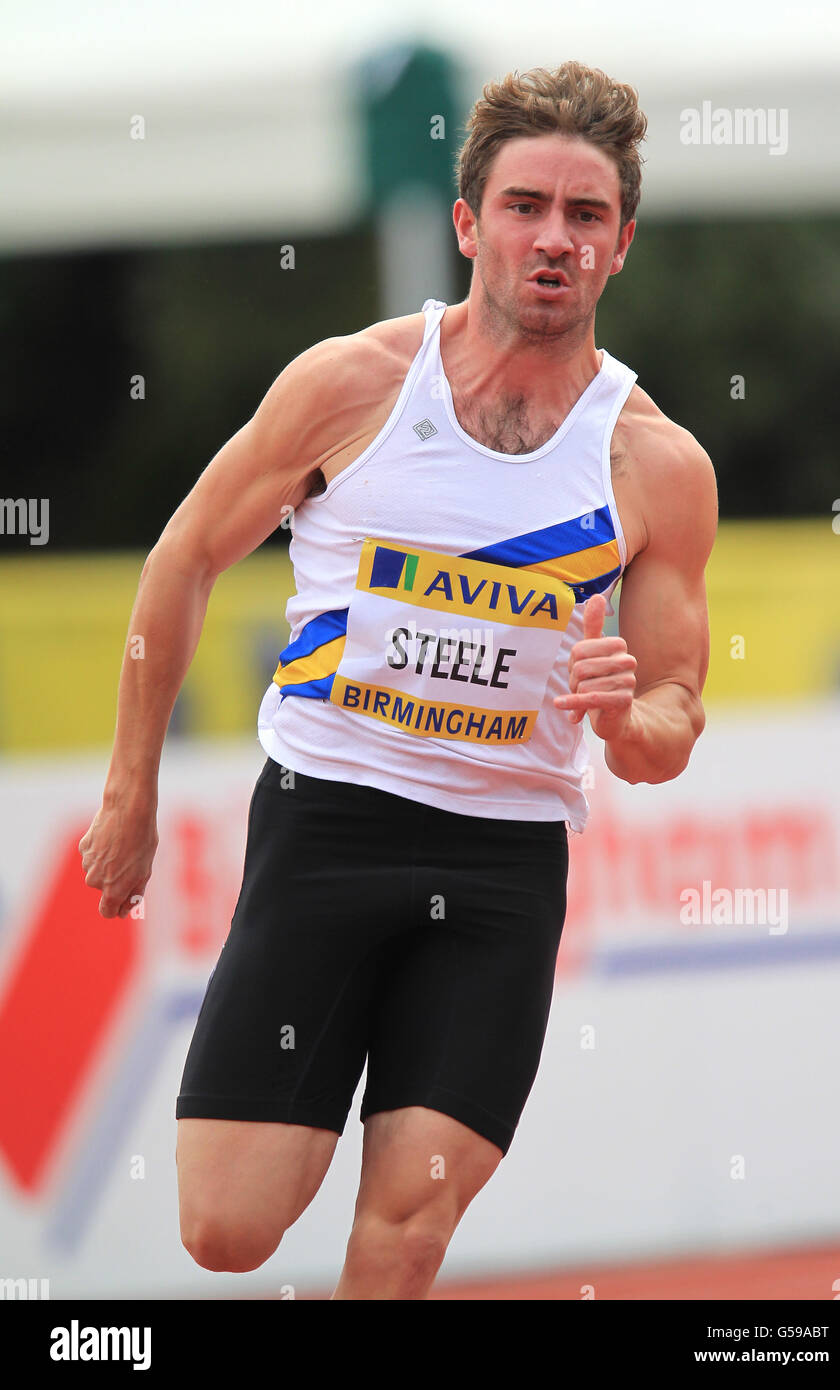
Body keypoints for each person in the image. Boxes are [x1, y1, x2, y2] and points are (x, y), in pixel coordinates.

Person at [78, 60, 717, 1299]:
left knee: (408, 1227)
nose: (555, 239)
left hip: (502, 858)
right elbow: (185, 558)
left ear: (622, 245)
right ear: (470, 223)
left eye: (587, 217)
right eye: (527, 205)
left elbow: (674, 712)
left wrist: (624, 718)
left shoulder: (654, 463)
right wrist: (130, 793)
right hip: (329, 822)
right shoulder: (353, 385)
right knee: (224, 1227)